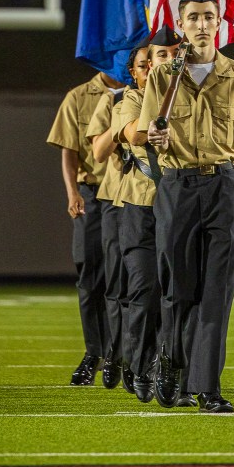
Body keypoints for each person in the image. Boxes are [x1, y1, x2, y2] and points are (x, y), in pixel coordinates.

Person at [136, 0, 234, 413]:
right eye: (192, 17)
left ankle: (207, 387)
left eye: (208, 17)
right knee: (179, 289)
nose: (201, 24)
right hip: (177, 185)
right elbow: (146, 131)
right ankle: (172, 366)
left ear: (219, 23)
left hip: (224, 187)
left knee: (218, 292)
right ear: (181, 24)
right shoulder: (163, 75)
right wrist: (154, 136)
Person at [117, 27, 189, 404]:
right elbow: (134, 133)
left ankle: (169, 368)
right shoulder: (132, 97)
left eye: (167, 57)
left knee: (176, 294)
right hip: (142, 205)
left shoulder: (188, 94)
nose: (155, 67)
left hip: (179, 205)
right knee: (145, 291)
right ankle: (140, 363)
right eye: (148, 63)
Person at [46, 69, 124, 385]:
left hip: (128, 193)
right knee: (90, 275)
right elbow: (69, 150)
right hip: (92, 192)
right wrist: (73, 193)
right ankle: (95, 352)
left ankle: (126, 355)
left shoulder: (142, 89)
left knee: (128, 276)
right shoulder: (78, 97)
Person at [86, 84, 129, 390]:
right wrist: (124, 123)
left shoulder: (174, 95)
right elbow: (99, 153)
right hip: (117, 198)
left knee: (155, 286)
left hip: (160, 199)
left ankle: (146, 358)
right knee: (116, 282)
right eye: (143, 65)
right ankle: (116, 352)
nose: (151, 68)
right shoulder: (114, 99)